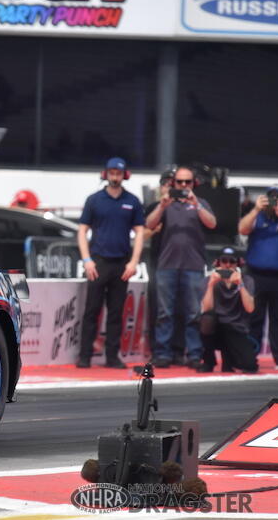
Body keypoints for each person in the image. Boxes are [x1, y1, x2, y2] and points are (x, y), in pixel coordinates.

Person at [76, 157, 145, 369]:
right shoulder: (94, 199)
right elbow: (82, 231)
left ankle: (112, 356)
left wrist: (134, 262)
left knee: (116, 312)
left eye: (119, 173)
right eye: (112, 172)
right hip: (98, 262)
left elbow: (140, 232)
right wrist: (87, 260)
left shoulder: (132, 201)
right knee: (91, 311)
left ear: (124, 175)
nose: (115, 176)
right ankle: (85, 355)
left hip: (121, 264)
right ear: (106, 174)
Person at [145, 165, 216, 368]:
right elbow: (149, 224)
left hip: (193, 265)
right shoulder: (165, 204)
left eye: (187, 182)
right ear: (173, 183)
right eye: (180, 182)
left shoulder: (200, 203)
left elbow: (212, 223)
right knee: (164, 313)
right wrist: (162, 205)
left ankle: (194, 354)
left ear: (194, 184)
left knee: (193, 313)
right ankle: (163, 353)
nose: (183, 186)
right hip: (167, 265)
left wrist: (196, 204)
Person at [238, 187, 278, 370]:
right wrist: (256, 209)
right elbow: (242, 229)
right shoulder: (259, 216)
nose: (276, 202)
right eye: (272, 198)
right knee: (252, 318)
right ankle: (249, 358)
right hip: (256, 275)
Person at [143, 169, 186, 361]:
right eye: (166, 184)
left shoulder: (186, 207)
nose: (170, 187)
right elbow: (142, 233)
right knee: (159, 310)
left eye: (173, 184)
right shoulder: (154, 206)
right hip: (159, 262)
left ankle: (178, 350)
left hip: (181, 263)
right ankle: (158, 350)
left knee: (181, 308)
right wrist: (154, 229)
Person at [198, 248, 258, 373]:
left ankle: (229, 361)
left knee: (250, 366)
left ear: (238, 263)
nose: (228, 265)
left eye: (232, 261)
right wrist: (211, 284)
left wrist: (240, 284)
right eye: (224, 261)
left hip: (235, 328)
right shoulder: (209, 280)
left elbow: (250, 308)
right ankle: (208, 361)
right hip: (216, 328)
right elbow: (206, 308)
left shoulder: (247, 280)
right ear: (218, 263)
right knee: (207, 319)